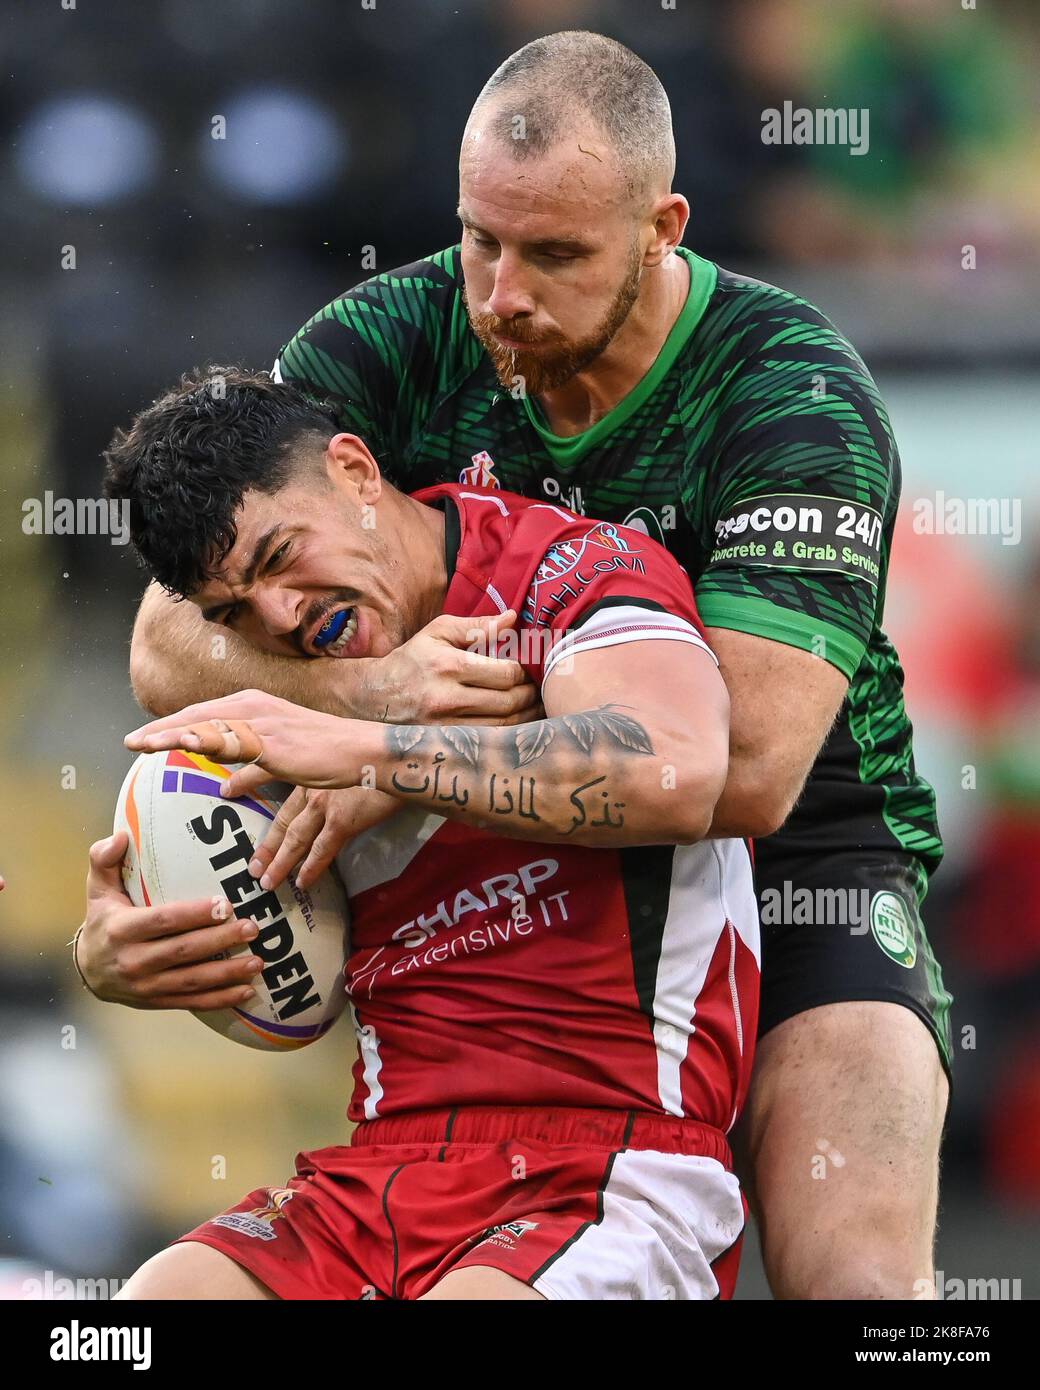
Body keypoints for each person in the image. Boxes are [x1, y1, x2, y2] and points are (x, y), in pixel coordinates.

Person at [119, 31, 950, 1299]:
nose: (501, 295)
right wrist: (373, 696)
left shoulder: (788, 392)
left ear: (663, 225)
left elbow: (739, 772)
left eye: (555, 254)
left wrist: (389, 755)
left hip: (797, 868)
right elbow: (174, 636)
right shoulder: (394, 334)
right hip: (511, 867)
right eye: (477, 241)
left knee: (857, 1283)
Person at [88, 367, 757, 1300]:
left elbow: (677, 773)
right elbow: (257, 918)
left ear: (358, 472)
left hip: (606, 1163)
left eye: (282, 555)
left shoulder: (571, 574)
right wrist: (119, 955)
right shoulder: (293, 682)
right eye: (234, 611)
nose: (278, 617)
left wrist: (378, 755)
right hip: (379, 1170)